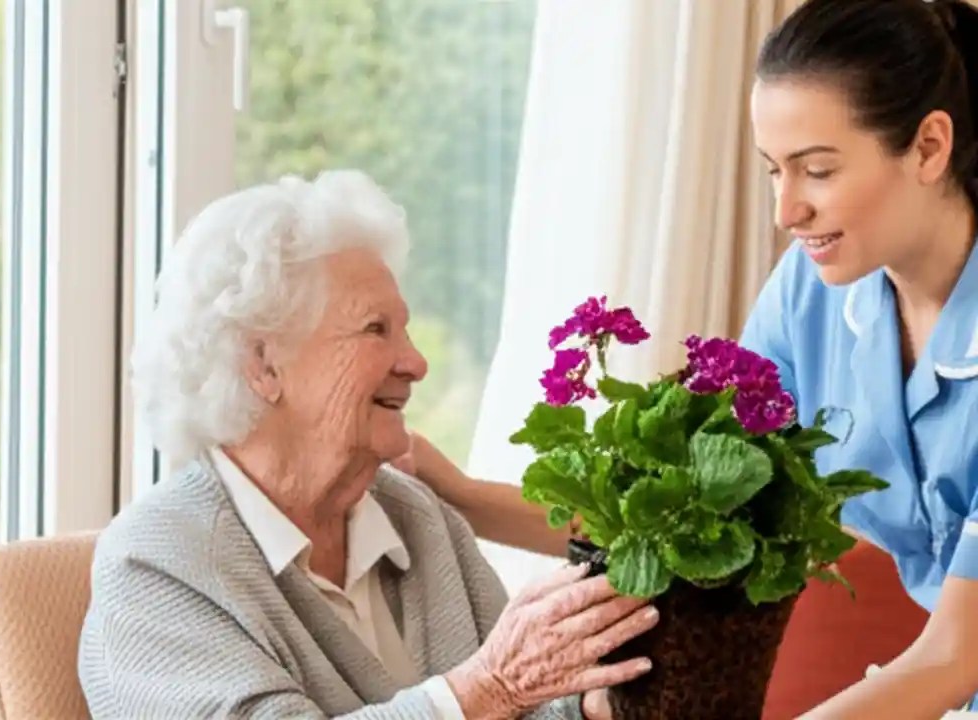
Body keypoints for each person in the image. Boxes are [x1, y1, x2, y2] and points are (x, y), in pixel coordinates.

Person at [410, 0, 978, 717]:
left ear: (929, 147)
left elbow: (955, 657)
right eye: (775, 171)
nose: (787, 211)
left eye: (819, 170)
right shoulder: (814, 296)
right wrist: (456, 494)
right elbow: (682, 515)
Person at [77, 170, 658, 719]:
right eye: (375, 329)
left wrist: (585, 704)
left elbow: (522, 706)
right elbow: (494, 692)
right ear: (263, 364)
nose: (416, 362)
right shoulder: (155, 567)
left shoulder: (417, 518)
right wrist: (485, 690)